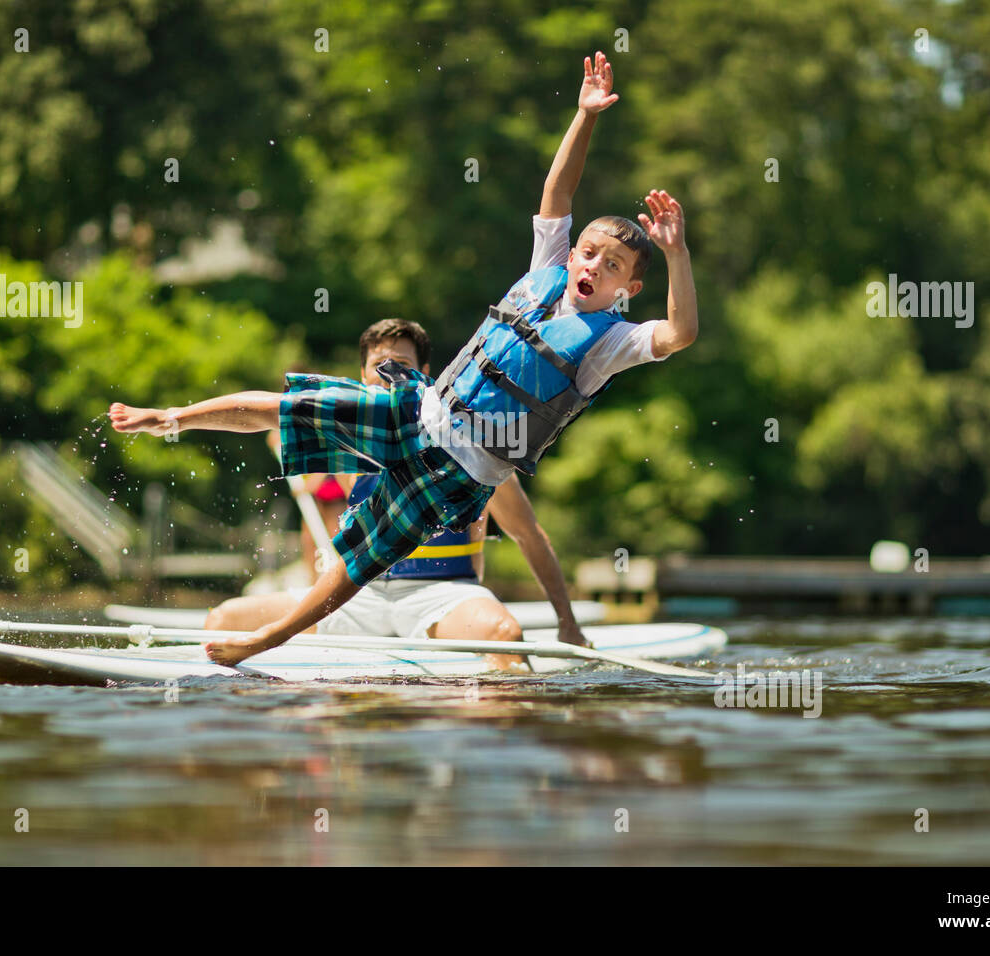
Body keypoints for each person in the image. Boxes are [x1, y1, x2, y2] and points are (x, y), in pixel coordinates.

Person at [109, 51, 699, 666]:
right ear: (572, 254)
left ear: (628, 292)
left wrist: (676, 254)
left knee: (364, 558)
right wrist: (584, 116)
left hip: (460, 471)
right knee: (294, 407)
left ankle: (265, 641)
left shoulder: (609, 343)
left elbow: (681, 332)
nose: (593, 267)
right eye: (588, 254)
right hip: (418, 412)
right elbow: (559, 189)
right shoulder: (544, 270)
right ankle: (172, 417)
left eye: (613, 268)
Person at [206, 318, 585, 672]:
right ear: (362, 376)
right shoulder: (343, 445)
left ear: (425, 376)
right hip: (357, 597)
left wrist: (567, 624)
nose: (388, 375)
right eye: (379, 365)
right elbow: (278, 421)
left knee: (506, 637)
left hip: (442, 597)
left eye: (400, 364)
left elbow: (529, 535)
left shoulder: (475, 449)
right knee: (223, 620)